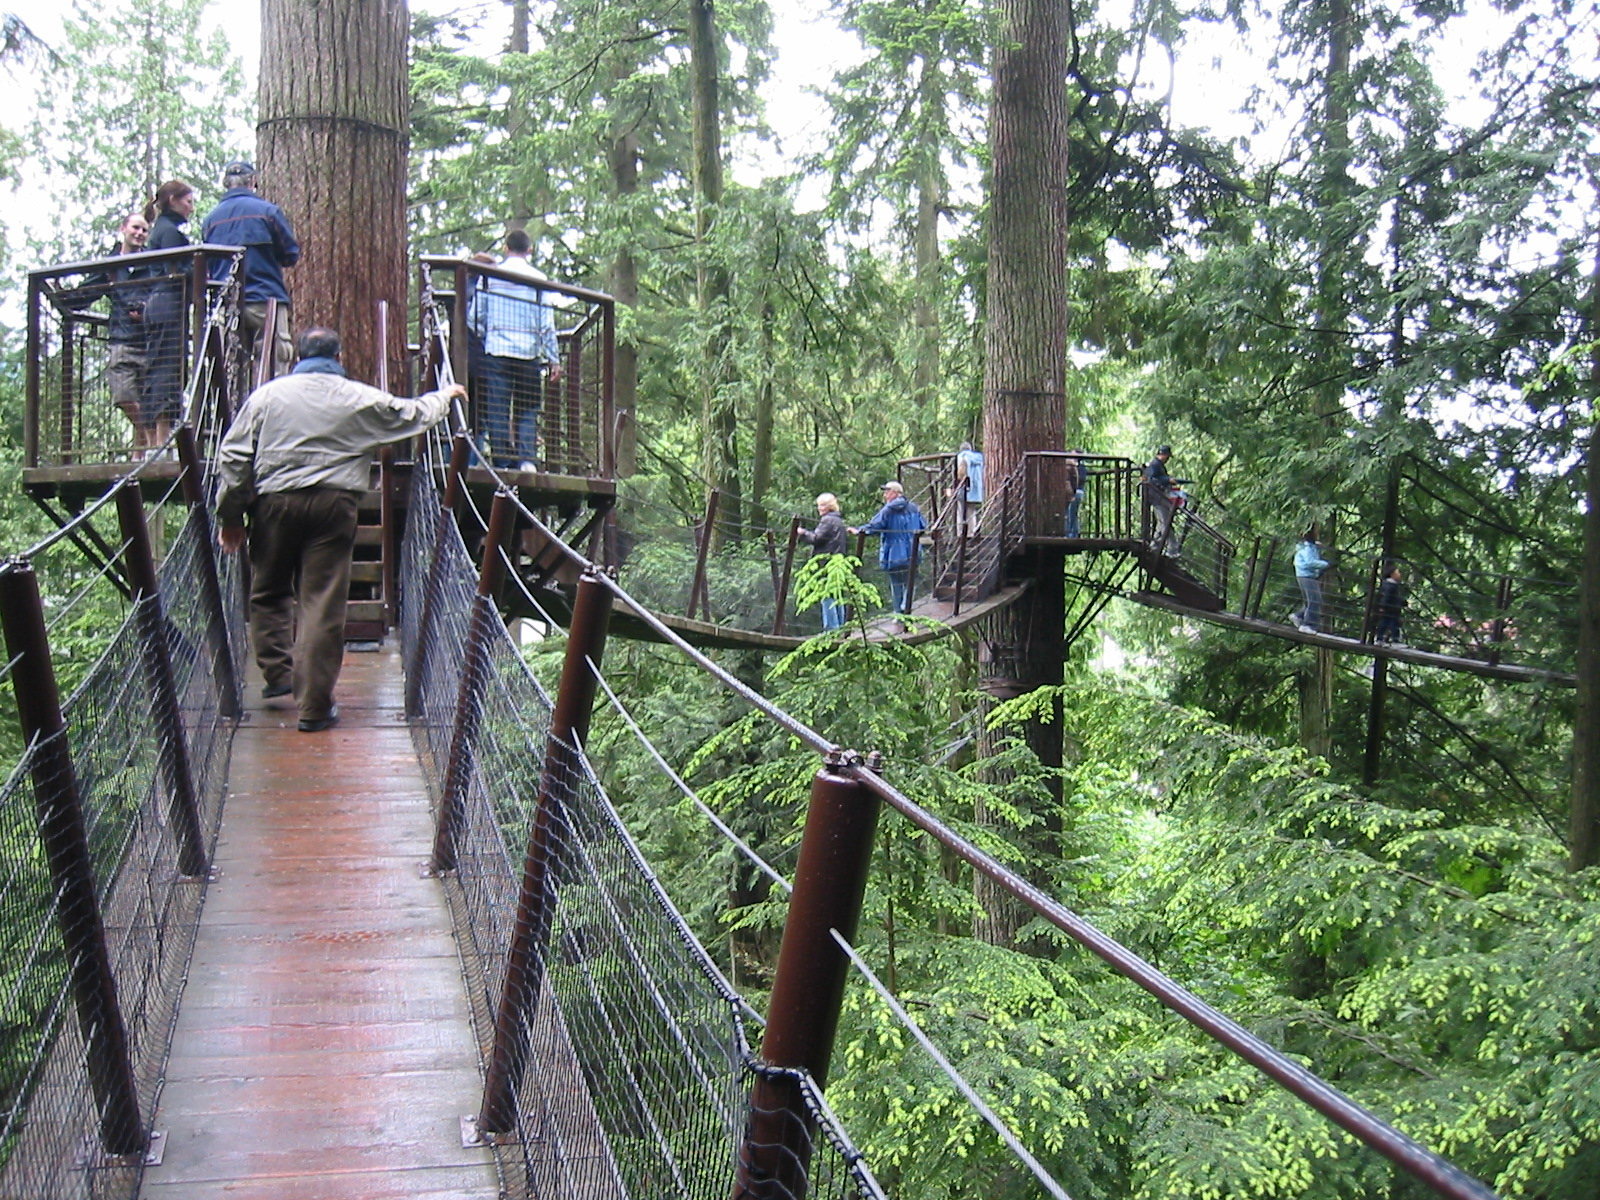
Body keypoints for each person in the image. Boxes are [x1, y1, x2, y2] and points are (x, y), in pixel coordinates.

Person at [214, 327, 466, 732]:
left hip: (273, 503)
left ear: (297, 355)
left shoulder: (266, 397)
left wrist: (231, 516)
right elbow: (410, 414)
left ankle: (278, 674)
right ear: (339, 354)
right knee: (321, 604)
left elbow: (233, 456)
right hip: (335, 505)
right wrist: (443, 397)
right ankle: (313, 707)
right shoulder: (358, 396)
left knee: (268, 591)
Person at [468, 229, 563, 470]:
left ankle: (502, 462)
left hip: (497, 351)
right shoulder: (539, 279)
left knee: (497, 409)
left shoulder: (491, 276)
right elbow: (546, 324)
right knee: (528, 407)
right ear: (529, 250)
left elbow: (475, 317)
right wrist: (553, 359)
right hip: (528, 354)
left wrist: (486, 336)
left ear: (505, 248)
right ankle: (527, 460)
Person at [201, 160, 300, 380]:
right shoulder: (268, 212)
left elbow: (209, 264)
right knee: (275, 362)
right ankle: (270, 412)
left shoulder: (210, 221)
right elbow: (290, 254)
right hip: (267, 301)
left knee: (232, 370)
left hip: (228, 305)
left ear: (226, 184)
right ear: (253, 181)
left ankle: (236, 413)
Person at [141, 179, 197, 449]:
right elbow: (179, 270)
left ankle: (156, 439)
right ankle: (162, 439)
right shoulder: (171, 232)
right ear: (173, 200)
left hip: (158, 302)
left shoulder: (161, 230)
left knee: (159, 365)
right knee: (168, 367)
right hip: (168, 303)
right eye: (188, 201)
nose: (192, 208)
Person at [850, 480, 927, 616]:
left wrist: (859, 531)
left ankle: (898, 613)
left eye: (887, 492)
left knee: (896, 583)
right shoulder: (914, 508)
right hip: (912, 551)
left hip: (893, 553)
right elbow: (923, 526)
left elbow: (874, 526)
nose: (884, 495)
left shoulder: (888, 510)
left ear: (896, 493)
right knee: (911, 580)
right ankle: (906, 607)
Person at [796, 492, 848, 629]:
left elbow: (816, 538)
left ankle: (831, 629)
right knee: (837, 593)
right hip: (838, 561)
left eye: (822, 505)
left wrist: (802, 533)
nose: (819, 508)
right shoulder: (839, 521)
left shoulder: (827, 520)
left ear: (828, 506)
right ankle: (841, 627)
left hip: (826, 562)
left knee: (827, 594)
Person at [1143, 445, 1182, 556]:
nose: (1168, 459)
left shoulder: (1158, 466)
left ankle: (1154, 547)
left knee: (1161, 523)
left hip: (1159, 497)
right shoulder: (1154, 465)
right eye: (1168, 456)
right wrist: (1168, 480)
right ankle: (1172, 549)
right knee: (1166, 522)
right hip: (1157, 498)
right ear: (1164, 455)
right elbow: (1152, 480)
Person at [1290, 531, 1330, 634]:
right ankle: (1308, 625)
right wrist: (1325, 564)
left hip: (1304, 575)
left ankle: (1298, 616)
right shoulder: (1308, 548)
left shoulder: (1308, 546)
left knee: (1310, 600)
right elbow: (1310, 562)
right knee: (1315, 600)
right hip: (1307, 576)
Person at [948, 441, 984, 536]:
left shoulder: (959, 457)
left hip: (962, 487)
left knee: (960, 511)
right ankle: (970, 533)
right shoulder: (979, 458)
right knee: (971, 512)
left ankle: (960, 533)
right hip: (974, 489)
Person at [1374, 562, 1405, 645]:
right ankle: (1395, 641)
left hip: (1390, 609)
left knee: (1385, 623)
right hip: (1391, 609)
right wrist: (1383, 606)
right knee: (1393, 625)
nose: (1399, 574)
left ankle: (1380, 639)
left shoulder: (1389, 585)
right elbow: (1387, 597)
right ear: (1392, 574)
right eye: (1397, 572)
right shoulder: (1391, 586)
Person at [1064, 449, 1088, 538]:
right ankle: (1071, 533)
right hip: (1074, 492)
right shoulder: (1078, 467)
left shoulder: (1078, 467)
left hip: (1076, 492)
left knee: (1071, 513)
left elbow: (1077, 479)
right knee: (1071, 513)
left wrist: (1073, 490)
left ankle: (1071, 534)